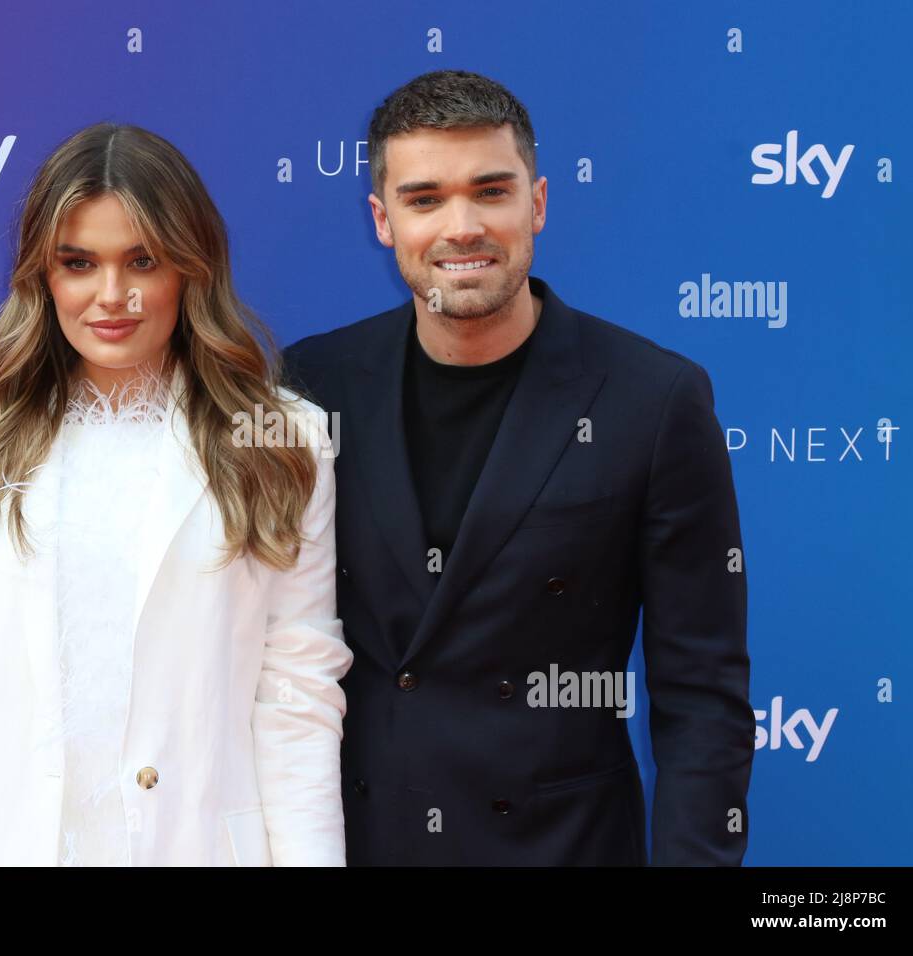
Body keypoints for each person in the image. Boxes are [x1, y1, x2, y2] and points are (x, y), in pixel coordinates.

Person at [0, 122, 352, 866]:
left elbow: (297, 698)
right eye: (78, 264)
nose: (113, 296)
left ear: (191, 269)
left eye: (143, 261)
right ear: (43, 277)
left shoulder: (283, 442)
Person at [282, 70, 754, 865]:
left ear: (536, 202)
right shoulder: (311, 386)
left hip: (563, 846)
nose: (461, 226)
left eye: (490, 192)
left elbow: (703, 696)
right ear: (383, 220)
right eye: (424, 199)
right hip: (369, 841)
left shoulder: (654, 398)